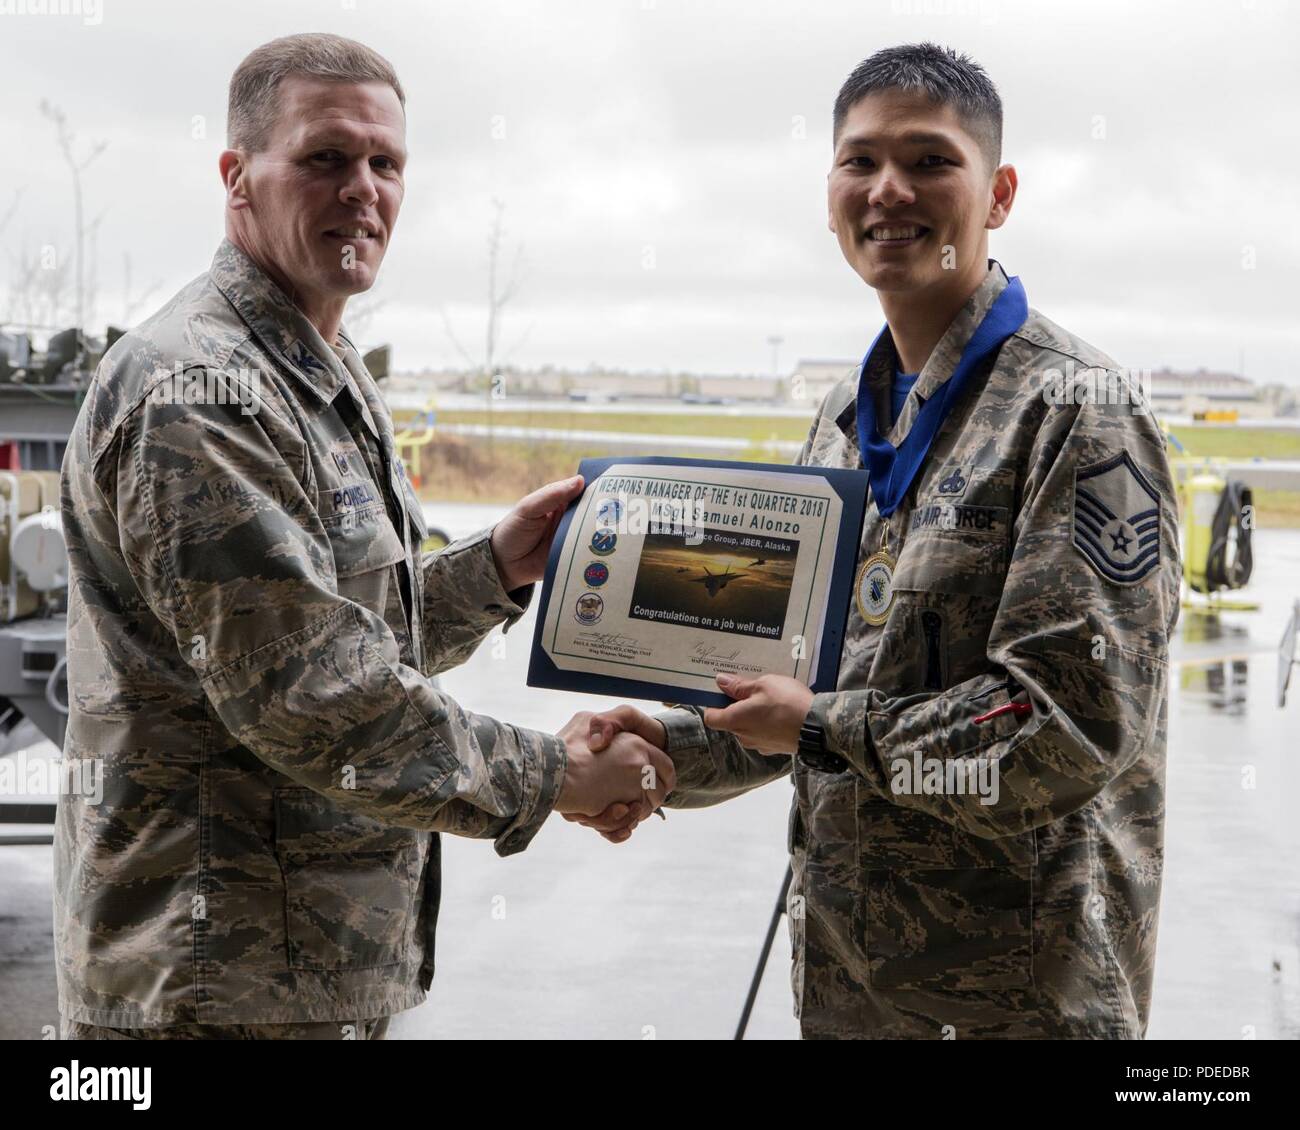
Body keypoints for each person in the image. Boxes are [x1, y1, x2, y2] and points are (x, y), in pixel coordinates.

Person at [56, 32, 672, 1041]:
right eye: (324, 158)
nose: (363, 190)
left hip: (304, 973)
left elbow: (350, 631)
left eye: (387, 163)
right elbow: (311, 695)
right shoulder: (197, 390)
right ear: (237, 177)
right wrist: (556, 774)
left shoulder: (315, 367)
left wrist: (491, 571)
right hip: (209, 983)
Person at [575, 42, 1180, 1039]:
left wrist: (816, 723)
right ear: (828, 195)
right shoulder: (844, 422)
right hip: (851, 992)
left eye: (930, 160)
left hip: (1017, 1003)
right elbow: (799, 687)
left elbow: (1063, 732)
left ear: (999, 194)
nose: (888, 188)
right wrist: (663, 752)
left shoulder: (1079, 414)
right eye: (859, 161)